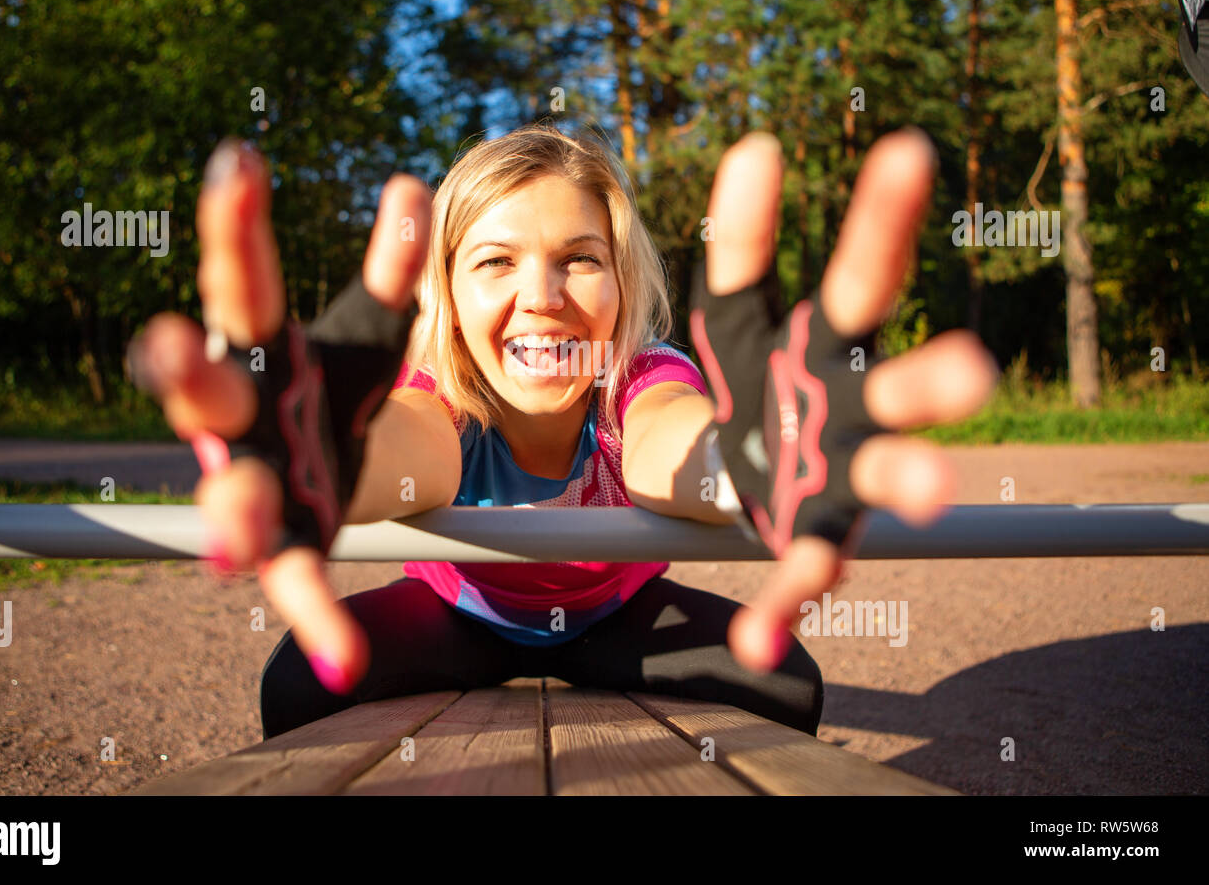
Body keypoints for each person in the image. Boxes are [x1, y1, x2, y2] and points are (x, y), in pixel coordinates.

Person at [130, 123, 998, 741]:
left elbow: (677, 449)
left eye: (579, 258)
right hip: (461, 615)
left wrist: (749, 461)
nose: (542, 293)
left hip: (613, 619)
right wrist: (326, 467)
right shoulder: (441, 393)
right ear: (447, 300)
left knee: (783, 684)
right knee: (299, 683)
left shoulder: (642, 381)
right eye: (496, 261)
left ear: (622, 285)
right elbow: (402, 452)